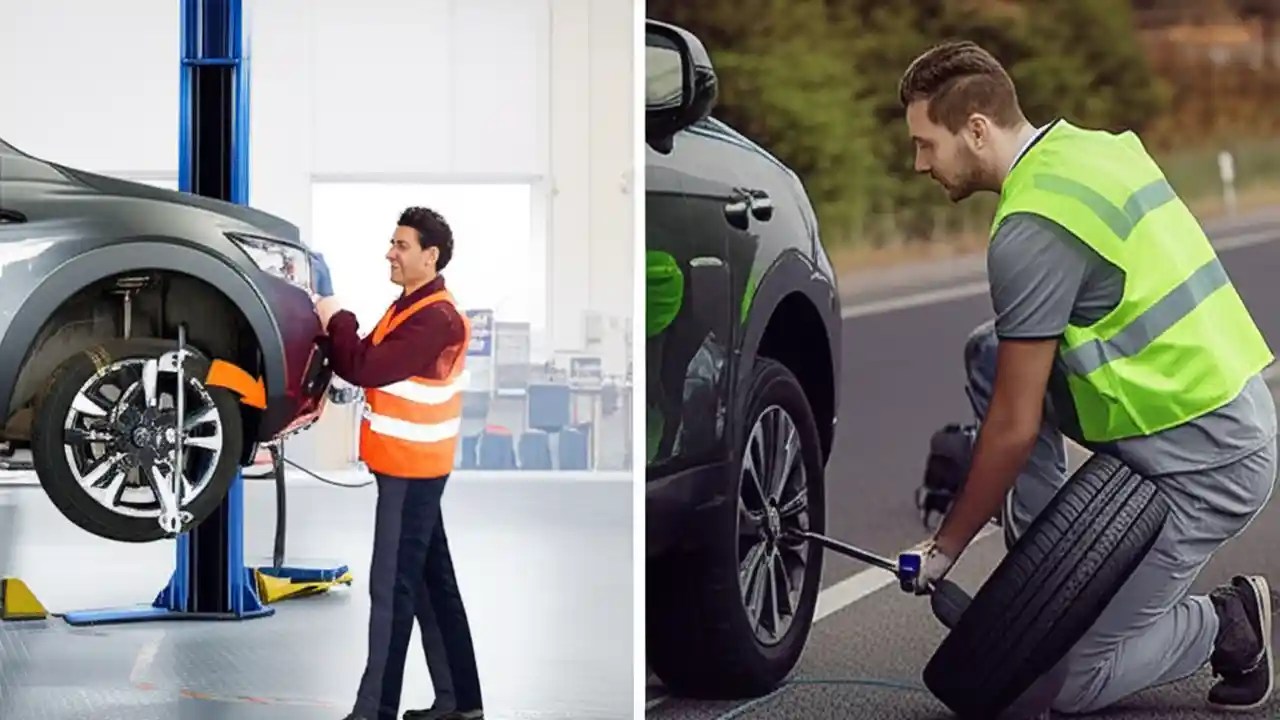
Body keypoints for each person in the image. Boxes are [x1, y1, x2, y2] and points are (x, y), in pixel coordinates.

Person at [897, 40, 1279, 715]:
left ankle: (1229, 622)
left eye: (927, 143)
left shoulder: (1029, 229)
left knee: (1064, 683)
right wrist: (1040, 594)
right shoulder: (1089, 147)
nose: (920, 162)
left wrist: (943, 548)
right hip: (1192, 408)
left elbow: (1014, 428)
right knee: (993, 349)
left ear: (976, 129)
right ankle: (1046, 584)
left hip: (1209, 464)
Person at [316, 206, 483, 720]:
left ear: (430, 256)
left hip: (413, 470)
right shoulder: (409, 307)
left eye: (402, 245)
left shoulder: (436, 318)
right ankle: (461, 703)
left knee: (392, 588)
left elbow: (365, 365)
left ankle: (374, 711)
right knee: (434, 585)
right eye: (392, 243)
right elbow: (367, 355)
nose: (390, 252)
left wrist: (334, 313)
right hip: (408, 466)